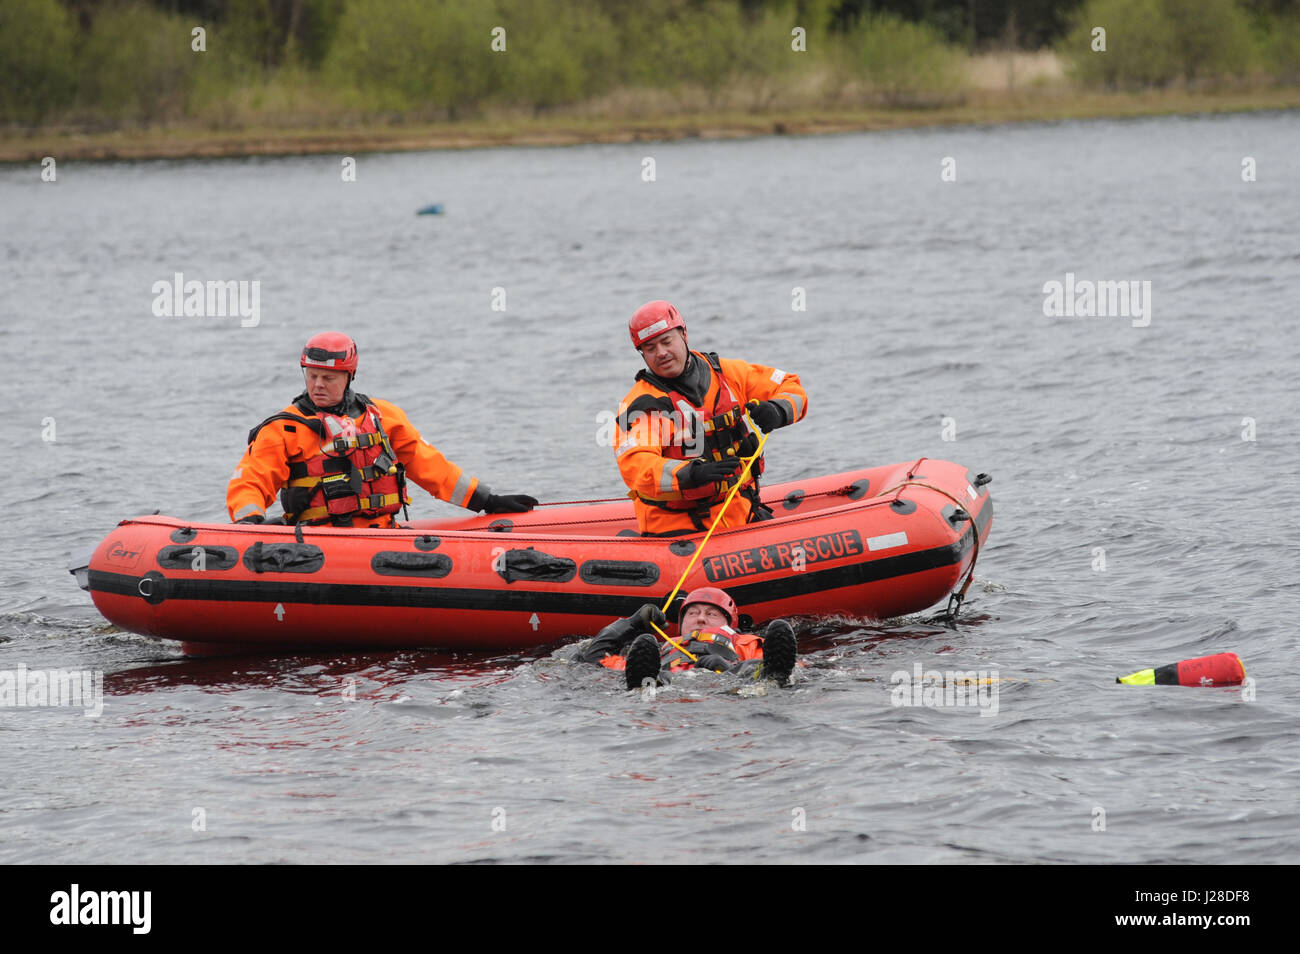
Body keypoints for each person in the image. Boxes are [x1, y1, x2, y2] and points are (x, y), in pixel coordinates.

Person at [227, 332, 537, 527]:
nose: (318, 385)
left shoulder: (383, 416)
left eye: (328, 378)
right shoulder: (284, 428)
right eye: (312, 376)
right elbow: (250, 480)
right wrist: (248, 520)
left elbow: (428, 466)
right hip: (318, 541)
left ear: (350, 376)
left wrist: (486, 500)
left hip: (383, 534)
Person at [615, 300, 808, 536]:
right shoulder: (645, 405)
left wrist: (778, 410)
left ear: (684, 334)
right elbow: (636, 465)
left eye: (667, 341)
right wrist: (690, 474)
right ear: (642, 354)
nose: (661, 353)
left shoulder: (726, 374)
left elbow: (790, 386)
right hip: (678, 528)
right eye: (650, 348)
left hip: (741, 510)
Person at [575, 586, 797, 689]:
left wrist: (730, 666)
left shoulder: (745, 642)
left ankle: (770, 681)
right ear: (681, 623)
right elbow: (595, 658)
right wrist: (631, 624)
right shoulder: (657, 649)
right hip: (669, 676)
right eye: (693, 613)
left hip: (731, 675)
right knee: (647, 662)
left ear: (729, 623)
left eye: (711, 614)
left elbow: (790, 664)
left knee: (757, 669)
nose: (700, 619)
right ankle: (645, 684)